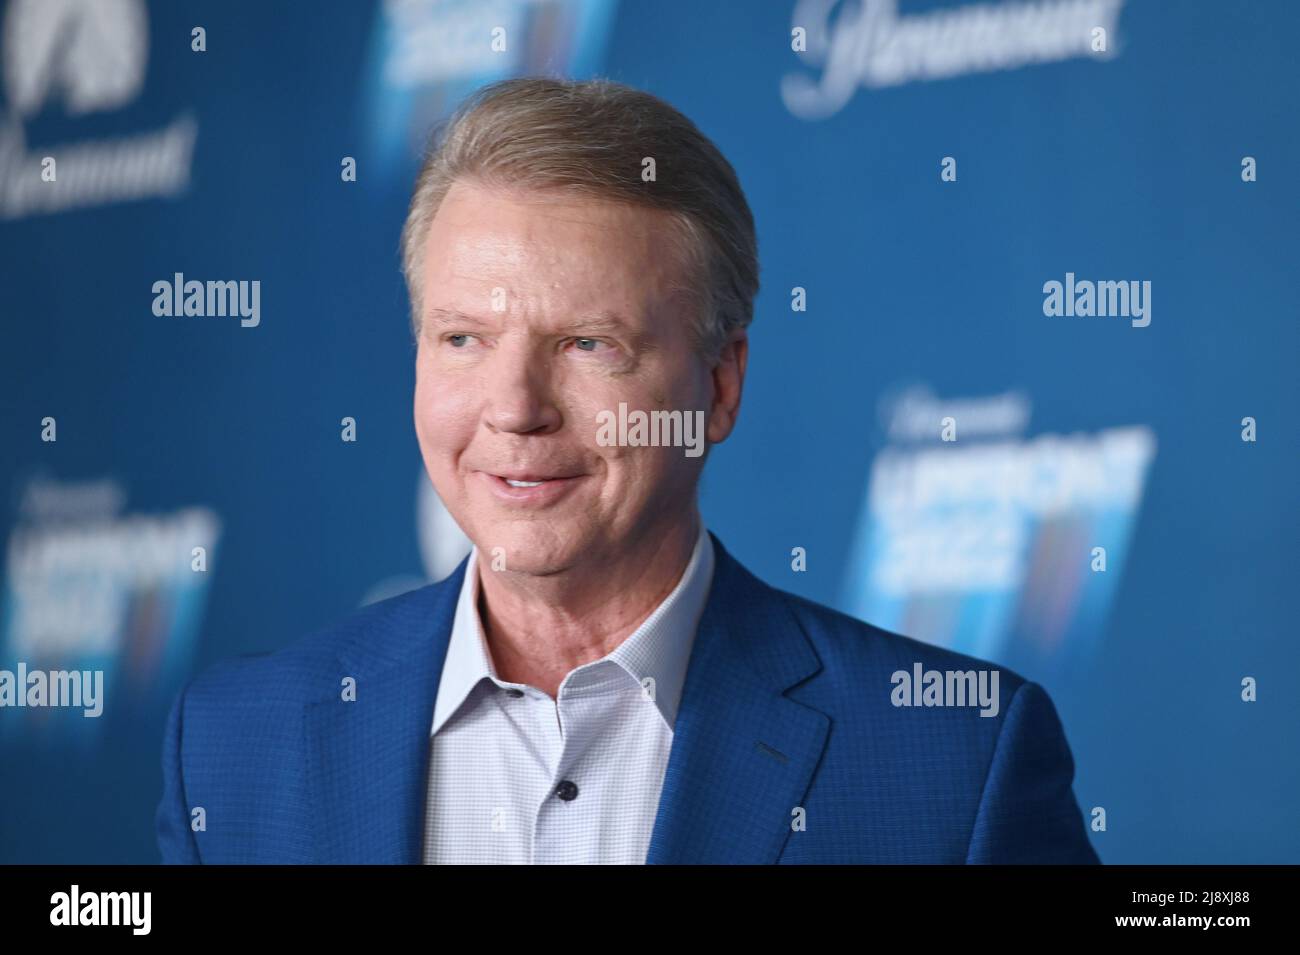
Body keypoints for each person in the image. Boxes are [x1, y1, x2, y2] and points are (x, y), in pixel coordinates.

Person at [156, 77, 1099, 864]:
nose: (515, 406)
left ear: (720, 385)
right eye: (462, 338)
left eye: (587, 343)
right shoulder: (235, 745)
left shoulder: (951, 761)